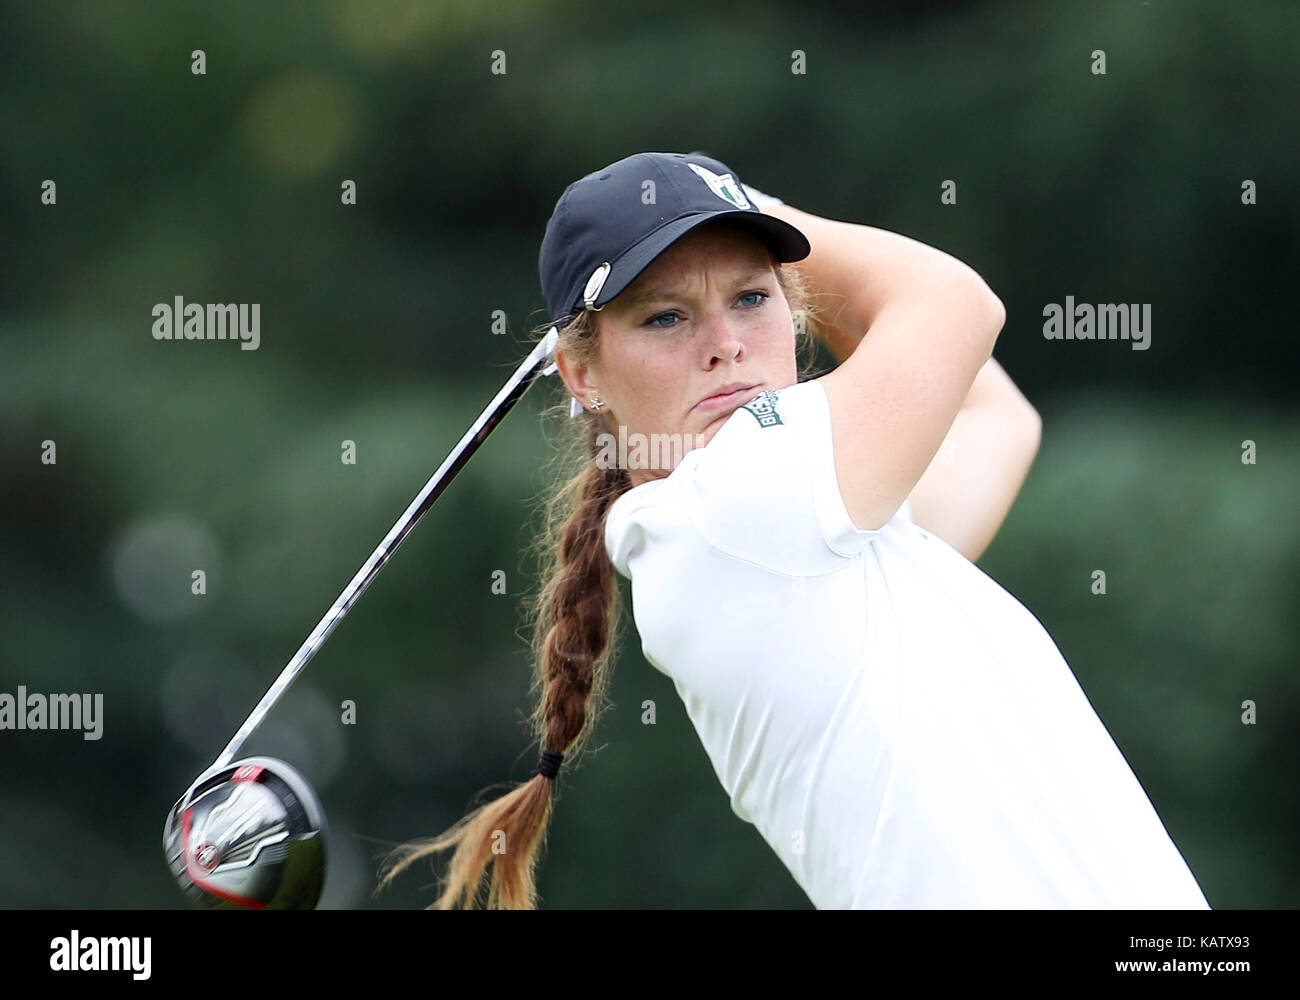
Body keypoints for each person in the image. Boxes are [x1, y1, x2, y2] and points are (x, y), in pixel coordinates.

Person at [377, 150, 1211, 910]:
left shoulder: (814, 525)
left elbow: (997, 416)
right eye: (665, 318)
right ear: (580, 372)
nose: (726, 345)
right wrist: (770, 213)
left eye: (752, 299)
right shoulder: (735, 506)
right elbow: (957, 303)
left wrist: (746, 226)